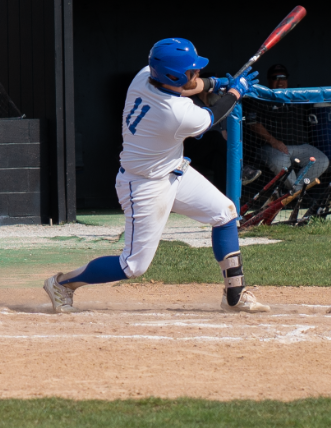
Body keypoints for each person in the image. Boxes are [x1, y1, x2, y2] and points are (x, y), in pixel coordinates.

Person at [43, 37, 270, 314]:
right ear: (174, 76)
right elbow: (214, 115)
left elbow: (187, 86)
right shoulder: (176, 114)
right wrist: (235, 91)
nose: (197, 72)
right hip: (144, 185)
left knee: (225, 213)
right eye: (192, 70)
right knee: (132, 266)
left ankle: (235, 294)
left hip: (173, 171)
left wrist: (216, 83)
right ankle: (62, 284)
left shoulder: (144, 76)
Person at [245, 64, 331, 187]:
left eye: (283, 78)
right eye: (275, 78)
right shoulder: (261, 97)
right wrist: (274, 141)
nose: (280, 82)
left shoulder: (296, 95)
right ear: (268, 80)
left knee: (321, 161)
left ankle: (293, 192)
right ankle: (296, 193)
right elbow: (253, 124)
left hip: (300, 146)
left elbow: (319, 95)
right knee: (280, 162)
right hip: (272, 147)